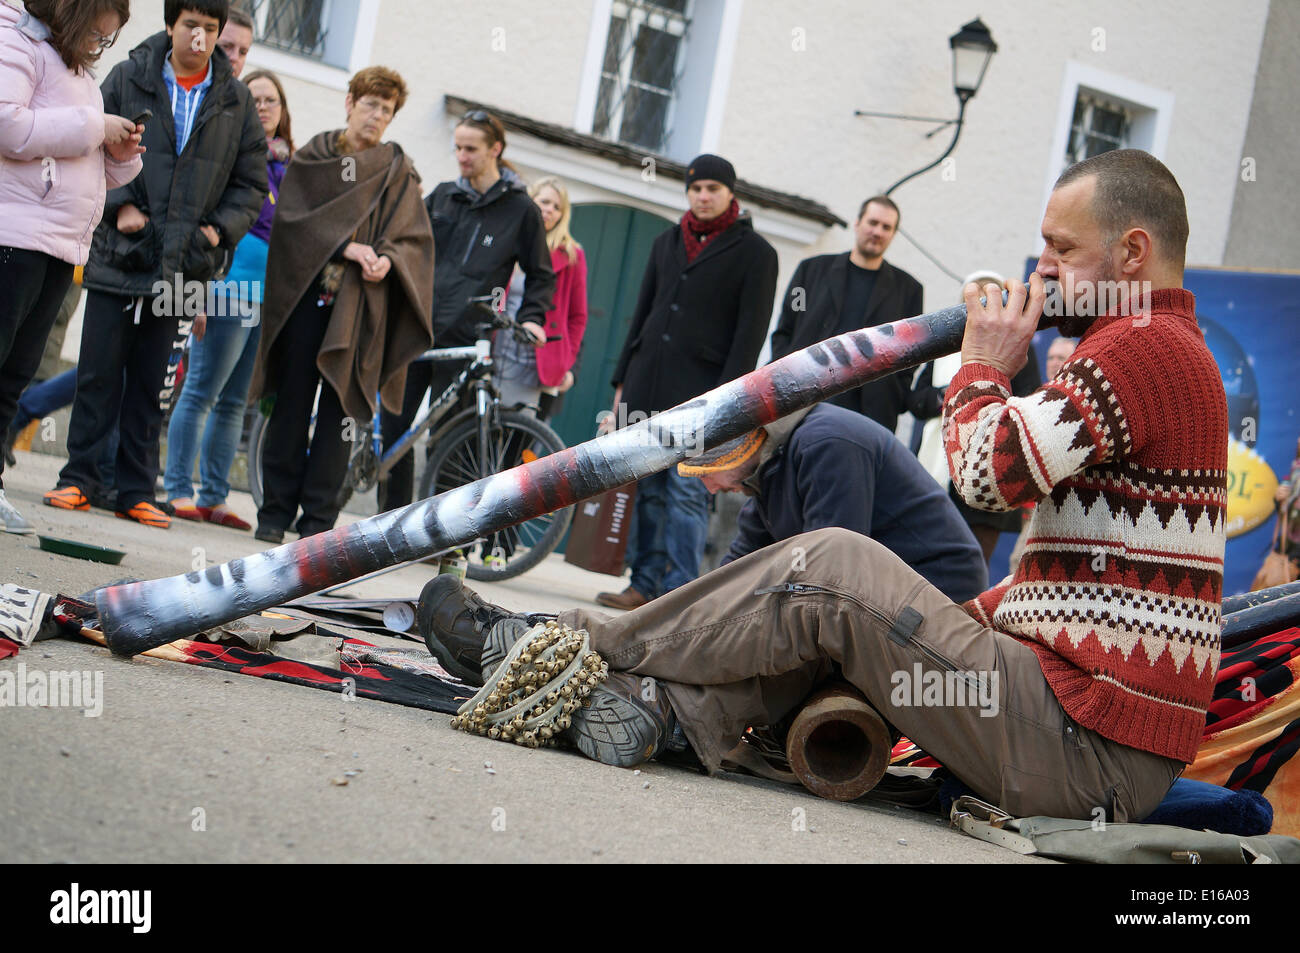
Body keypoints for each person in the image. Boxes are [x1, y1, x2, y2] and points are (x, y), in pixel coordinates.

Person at [425, 149, 1228, 822]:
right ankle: (658, 710)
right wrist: (940, 622)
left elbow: (990, 477)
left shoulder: (1145, 346)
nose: (1042, 270)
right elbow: (1056, 589)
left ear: (1131, 254)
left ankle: (560, 645)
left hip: (1086, 750)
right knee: (834, 596)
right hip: (1076, 730)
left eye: (1062, 250)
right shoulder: (1152, 346)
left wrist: (982, 362)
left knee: (834, 571)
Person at [42, 0, 267, 530]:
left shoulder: (234, 99)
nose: (200, 38)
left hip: (189, 268)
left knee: (154, 383)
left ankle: (136, 491)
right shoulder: (128, 76)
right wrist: (119, 208)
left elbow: (251, 183)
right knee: (99, 372)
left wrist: (217, 232)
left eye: (211, 29)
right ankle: (79, 480)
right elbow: (90, 145)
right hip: (122, 254)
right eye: (191, 25)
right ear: (172, 26)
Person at [247, 66, 433, 544]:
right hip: (307, 300)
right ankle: (273, 513)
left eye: (387, 110)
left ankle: (317, 525)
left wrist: (388, 261)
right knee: (289, 406)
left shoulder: (398, 171)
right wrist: (344, 247)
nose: (377, 116)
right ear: (349, 102)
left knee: (340, 416)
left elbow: (413, 240)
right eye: (370, 104)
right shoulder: (316, 156)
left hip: (361, 310)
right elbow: (292, 220)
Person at [595, 154, 778, 611]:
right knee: (648, 490)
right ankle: (643, 584)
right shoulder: (666, 241)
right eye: (696, 188)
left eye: (713, 188)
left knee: (686, 493)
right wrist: (622, 380)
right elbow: (642, 313)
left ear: (730, 193)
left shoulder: (757, 254)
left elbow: (749, 334)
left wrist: (728, 401)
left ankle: (678, 595)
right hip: (647, 383)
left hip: (704, 395)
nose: (703, 195)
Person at [0, 0, 142, 533]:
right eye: (98, 37)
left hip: (59, 245)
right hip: (13, 234)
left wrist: (119, 151)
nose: (99, 48)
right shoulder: (16, 39)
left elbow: (74, 161)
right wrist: (93, 126)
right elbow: (9, 126)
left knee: (16, 375)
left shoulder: (77, 70)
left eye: (107, 42)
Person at [377, 110, 554, 513]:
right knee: (395, 430)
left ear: (495, 149)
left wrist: (532, 318)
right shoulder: (442, 195)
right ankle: (388, 525)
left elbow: (541, 275)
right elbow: (404, 246)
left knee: (450, 439)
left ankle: (439, 533)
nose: (461, 156)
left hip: (465, 338)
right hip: (414, 329)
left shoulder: (521, 210)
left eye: (471, 149)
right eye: (457, 147)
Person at [677, 402, 987, 603]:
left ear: (738, 450)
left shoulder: (827, 443)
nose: (711, 488)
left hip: (935, 584)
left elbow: (830, 569)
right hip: (880, 583)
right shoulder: (768, 462)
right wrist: (695, 610)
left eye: (708, 473)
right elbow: (742, 561)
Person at [164, 68, 292, 531]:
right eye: (255, 99)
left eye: (271, 101)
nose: (263, 107)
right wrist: (195, 292)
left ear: (283, 111)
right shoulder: (230, 155)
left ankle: (213, 498)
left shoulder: (287, 165)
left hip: (265, 298)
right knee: (201, 390)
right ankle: (177, 489)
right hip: (227, 287)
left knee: (236, 403)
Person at [768, 196, 924, 434]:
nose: (877, 232)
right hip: (804, 403)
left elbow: (911, 354)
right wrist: (785, 382)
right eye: (872, 223)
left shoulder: (909, 290)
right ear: (857, 223)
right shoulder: (811, 270)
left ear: (893, 234)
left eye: (886, 227)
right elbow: (784, 331)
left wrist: (897, 394)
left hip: (869, 415)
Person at [493, 176, 588, 415]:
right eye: (544, 201)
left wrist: (568, 365)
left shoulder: (572, 255)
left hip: (539, 359)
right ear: (531, 201)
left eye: (557, 207)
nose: (549, 210)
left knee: (522, 442)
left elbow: (577, 317)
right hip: (498, 349)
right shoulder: (508, 240)